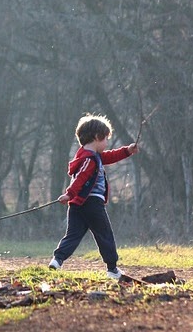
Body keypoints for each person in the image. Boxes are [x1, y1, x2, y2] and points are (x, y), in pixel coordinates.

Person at [48, 113, 138, 279]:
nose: (106, 143)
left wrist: (127, 151)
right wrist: (69, 193)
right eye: (105, 139)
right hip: (91, 204)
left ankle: (57, 259)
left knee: (73, 235)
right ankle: (112, 270)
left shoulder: (88, 155)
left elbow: (110, 156)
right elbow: (81, 178)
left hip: (76, 206)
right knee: (105, 235)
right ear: (97, 137)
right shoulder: (90, 159)